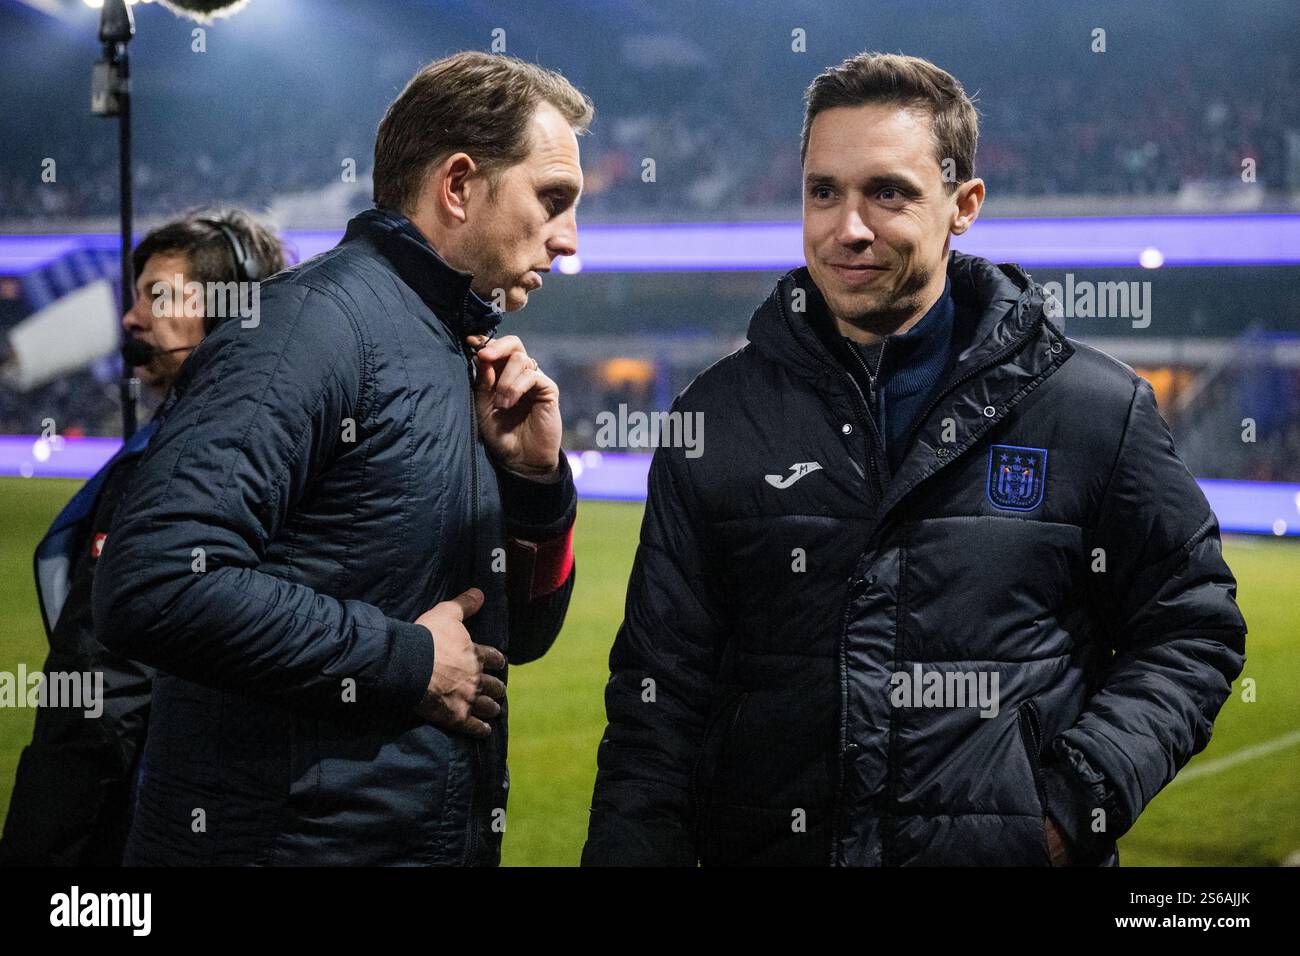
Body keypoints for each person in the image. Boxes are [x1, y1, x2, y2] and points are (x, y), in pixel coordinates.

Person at [582, 52, 1247, 867]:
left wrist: (1074, 806)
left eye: (887, 193)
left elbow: (1192, 629)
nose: (848, 227)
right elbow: (657, 700)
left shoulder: (1091, 410)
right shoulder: (717, 417)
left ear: (963, 205)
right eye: (823, 191)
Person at [92, 51, 591, 865]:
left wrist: (534, 485)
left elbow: (514, 641)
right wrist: (405, 659)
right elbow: (154, 581)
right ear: (459, 186)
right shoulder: (307, 330)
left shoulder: (454, 349)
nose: (569, 241)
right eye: (554, 200)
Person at [0, 208, 285, 865]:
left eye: (157, 296)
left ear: (230, 312)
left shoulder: (174, 465)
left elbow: (100, 698)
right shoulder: (275, 453)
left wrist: (42, 848)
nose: (130, 319)